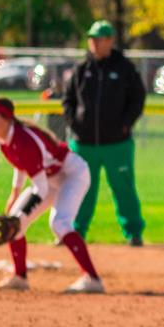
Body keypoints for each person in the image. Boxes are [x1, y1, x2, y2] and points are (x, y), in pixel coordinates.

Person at [0, 96, 106, 294]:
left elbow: (41, 188)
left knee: (58, 223)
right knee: (15, 224)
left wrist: (20, 216)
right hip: (48, 178)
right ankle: (20, 278)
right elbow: (21, 164)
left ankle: (93, 279)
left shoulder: (24, 140)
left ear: (5, 118)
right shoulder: (0, 138)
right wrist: (14, 193)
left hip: (72, 174)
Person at [61, 21, 147, 246]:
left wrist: (126, 124)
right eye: (92, 38)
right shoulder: (82, 70)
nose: (94, 43)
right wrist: (74, 124)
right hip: (84, 143)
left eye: (99, 39)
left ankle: (133, 232)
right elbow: (68, 100)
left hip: (116, 143)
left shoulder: (124, 68)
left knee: (123, 188)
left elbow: (138, 99)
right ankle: (75, 232)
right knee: (81, 189)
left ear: (110, 41)